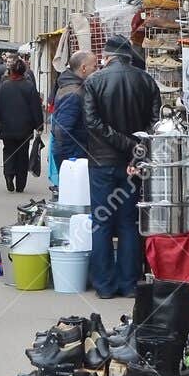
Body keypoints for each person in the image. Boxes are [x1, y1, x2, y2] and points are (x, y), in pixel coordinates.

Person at [81, 33, 160, 298]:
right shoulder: (146, 81)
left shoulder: (94, 81)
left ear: (108, 55)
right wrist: (134, 149)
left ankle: (104, 285)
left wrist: (124, 144)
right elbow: (155, 125)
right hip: (135, 163)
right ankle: (129, 283)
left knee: (101, 222)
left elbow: (92, 123)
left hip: (102, 161)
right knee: (128, 222)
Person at [0, 60, 45, 193]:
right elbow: (35, 108)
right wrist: (39, 125)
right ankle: (21, 183)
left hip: (7, 127)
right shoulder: (29, 86)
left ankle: (9, 175)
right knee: (22, 154)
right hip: (25, 128)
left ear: (11, 71)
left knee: (8, 151)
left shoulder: (4, 86)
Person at [49, 49, 96, 180]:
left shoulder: (73, 86)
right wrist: (73, 160)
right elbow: (63, 130)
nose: (97, 69)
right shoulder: (74, 92)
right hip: (73, 156)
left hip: (74, 153)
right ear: (84, 68)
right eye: (95, 66)